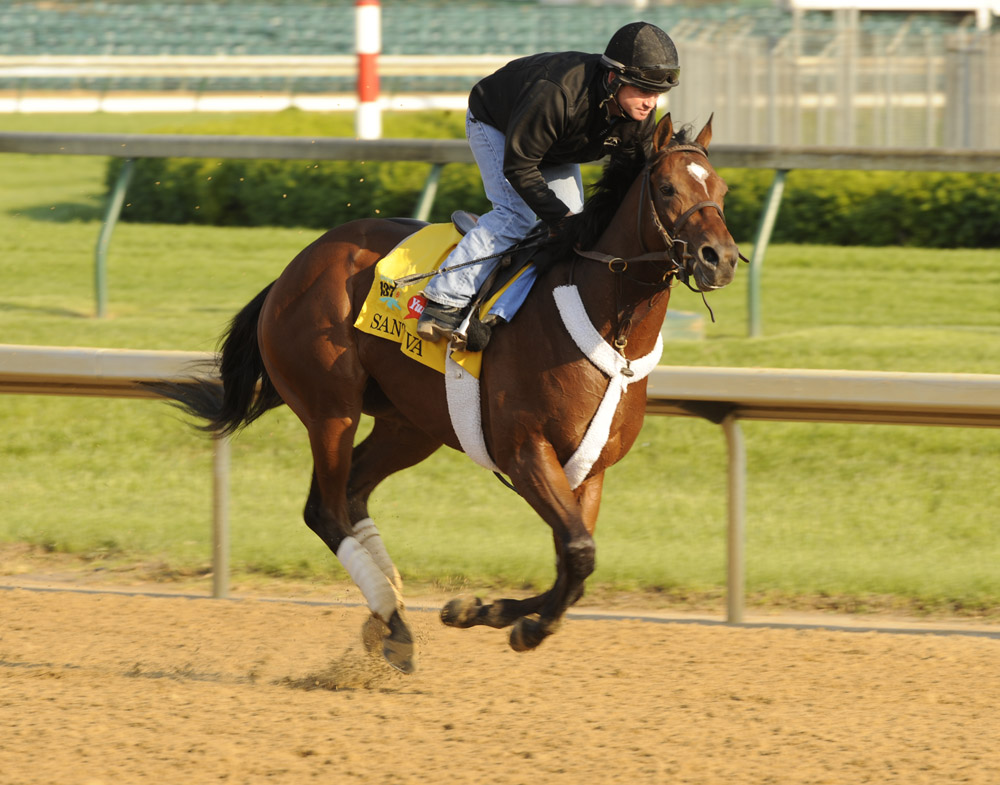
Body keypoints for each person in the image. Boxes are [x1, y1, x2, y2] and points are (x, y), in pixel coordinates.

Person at [416, 20, 680, 344]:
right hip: (498, 126)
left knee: (570, 234)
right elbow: (520, 167)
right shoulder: (555, 94)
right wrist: (560, 217)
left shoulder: (638, 118)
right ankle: (443, 301)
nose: (651, 102)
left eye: (657, 93)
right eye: (642, 90)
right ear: (613, 79)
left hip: (557, 144)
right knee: (517, 216)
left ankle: (500, 313)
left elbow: (624, 186)